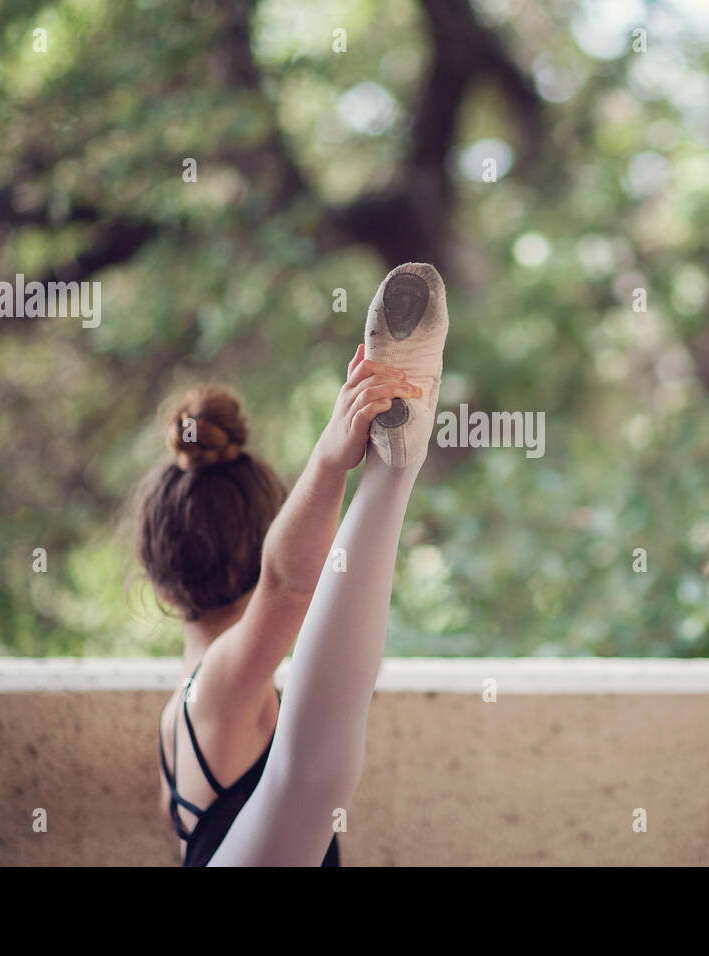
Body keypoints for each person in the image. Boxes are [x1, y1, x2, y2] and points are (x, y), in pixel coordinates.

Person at [131, 263, 448, 865]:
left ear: (155, 572)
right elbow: (286, 584)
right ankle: (393, 471)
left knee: (306, 776)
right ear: (265, 535)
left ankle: (394, 471)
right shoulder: (221, 685)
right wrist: (330, 459)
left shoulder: (198, 702)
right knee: (304, 778)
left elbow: (286, 585)